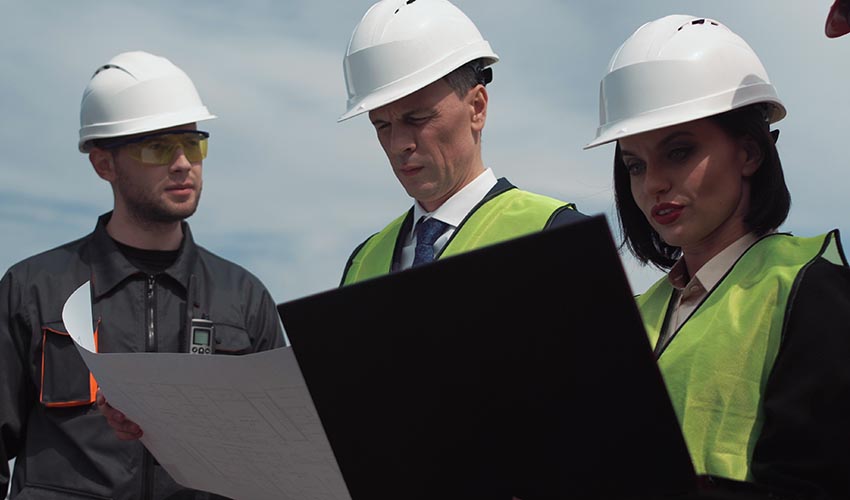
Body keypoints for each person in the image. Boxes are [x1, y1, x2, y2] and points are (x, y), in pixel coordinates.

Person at [584, 15, 850, 500]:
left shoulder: (812, 287)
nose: (653, 183)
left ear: (750, 152)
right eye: (635, 165)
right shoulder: (632, 315)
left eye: (679, 151)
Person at [0, 51, 285, 499]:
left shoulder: (244, 299)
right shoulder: (32, 290)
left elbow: (279, 455)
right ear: (103, 164)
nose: (181, 163)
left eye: (193, 144)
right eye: (157, 147)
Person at [337, 0, 587, 285]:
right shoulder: (363, 262)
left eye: (417, 118)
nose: (398, 144)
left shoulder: (559, 236)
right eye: (381, 125)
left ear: (477, 108)